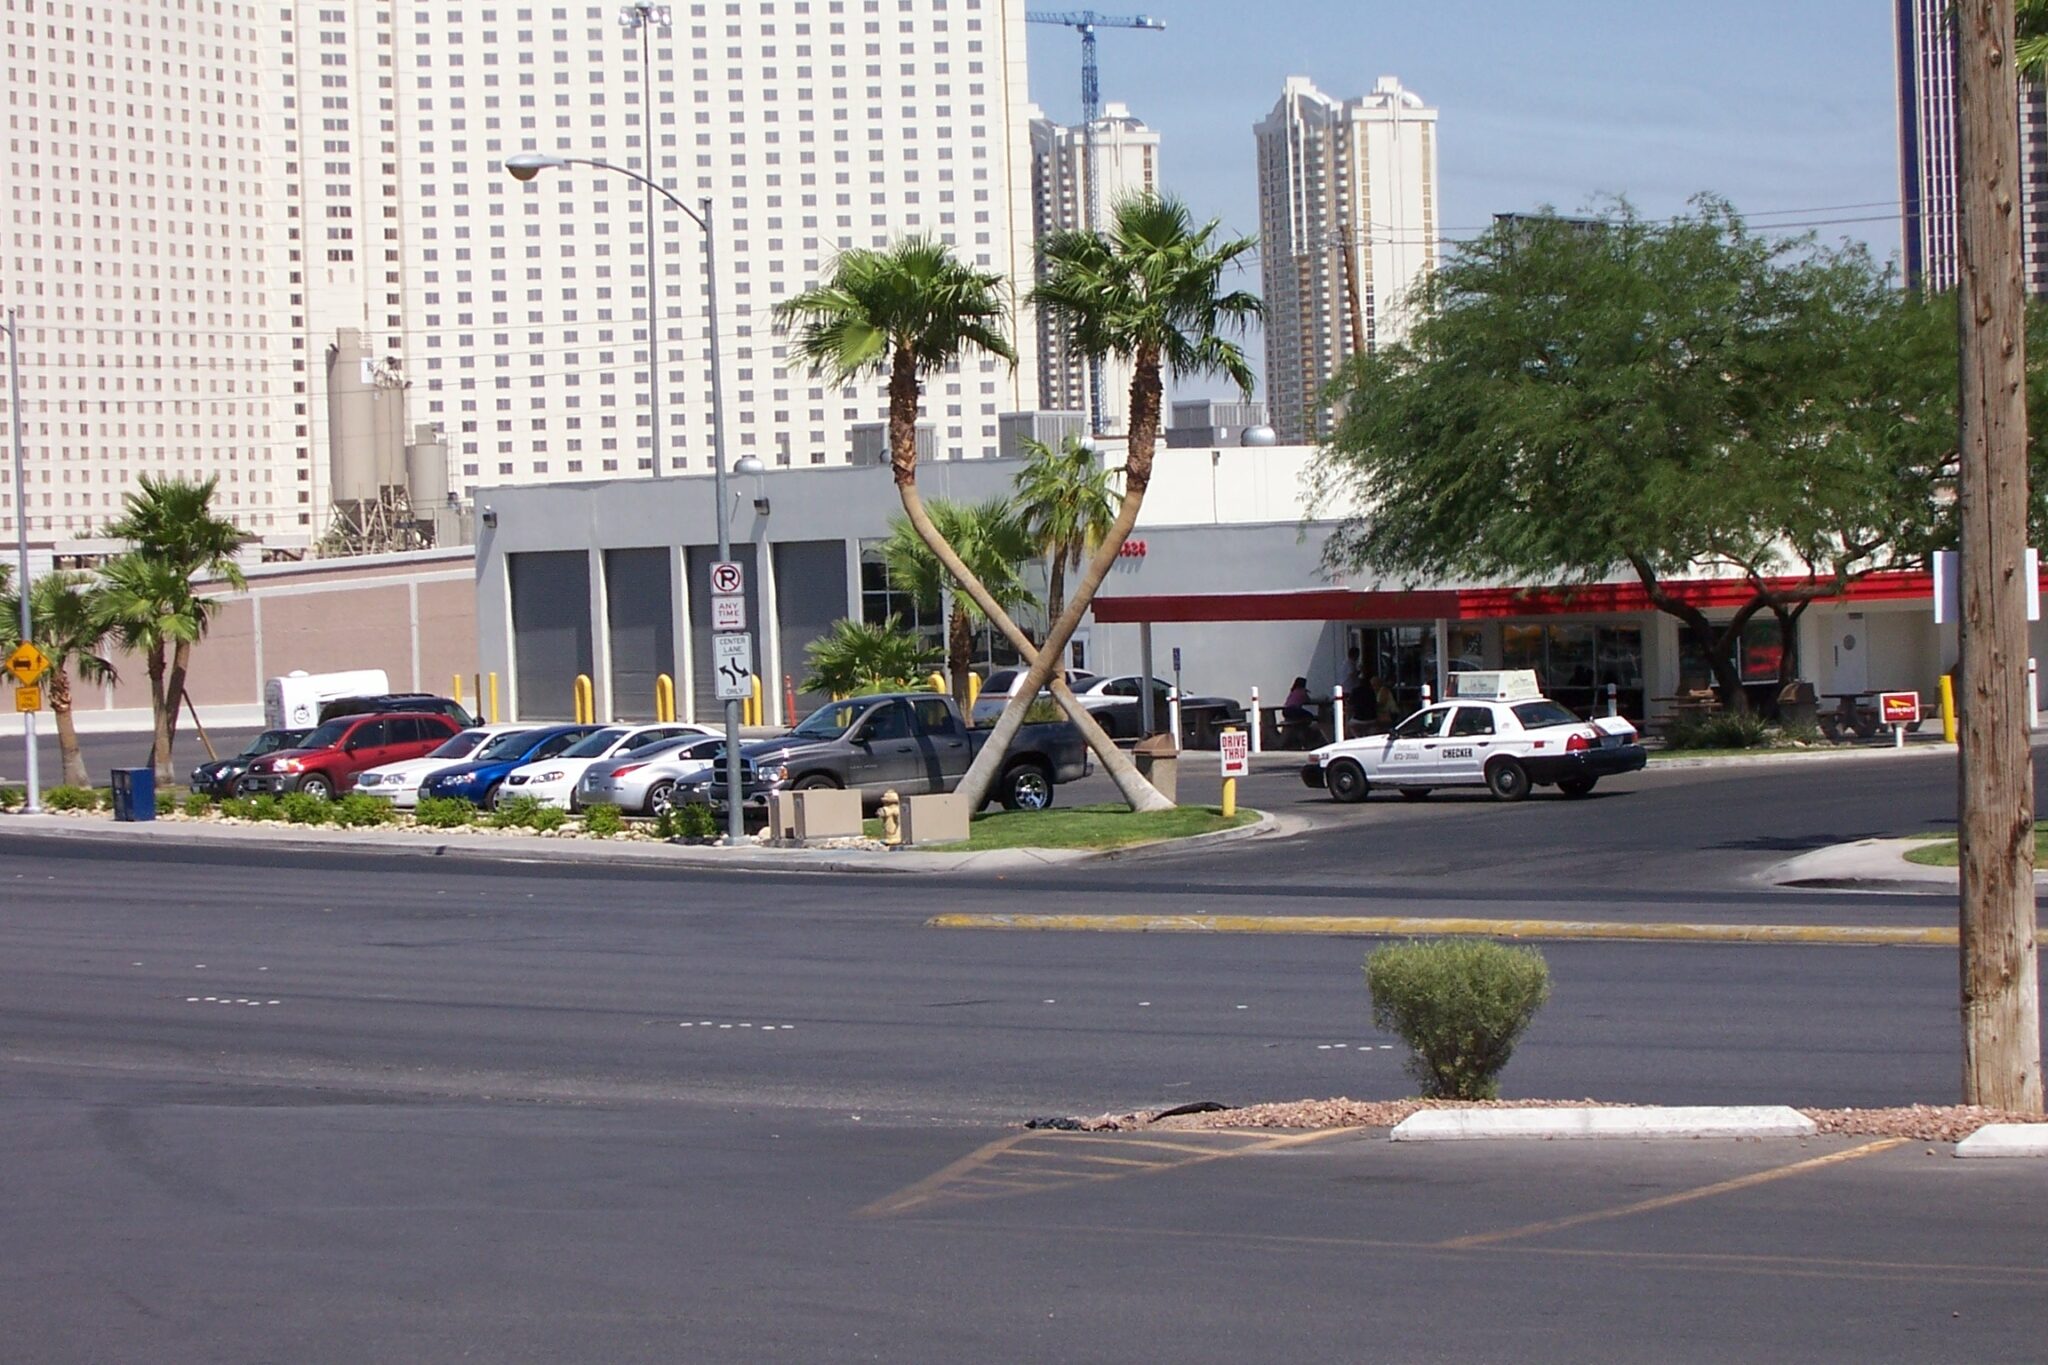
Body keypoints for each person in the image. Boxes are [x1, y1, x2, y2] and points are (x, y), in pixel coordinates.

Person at [1280, 676, 1318, 748]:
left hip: (1286, 710)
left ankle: (1300, 730)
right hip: (1293, 710)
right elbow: (1308, 700)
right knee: (1310, 716)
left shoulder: (1293, 691)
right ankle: (1306, 732)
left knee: (1300, 719)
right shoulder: (1302, 692)